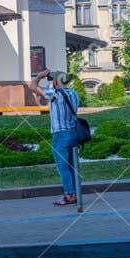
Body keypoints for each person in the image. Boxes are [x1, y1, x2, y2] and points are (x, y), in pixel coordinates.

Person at [40, 70, 86, 207]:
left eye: (51, 80)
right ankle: (75, 193)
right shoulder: (74, 93)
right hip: (73, 133)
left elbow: (32, 86)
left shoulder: (54, 94)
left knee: (63, 167)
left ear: (55, 82)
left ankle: (69, 195)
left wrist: (39, 77)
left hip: (60, 135)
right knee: (72, 166)